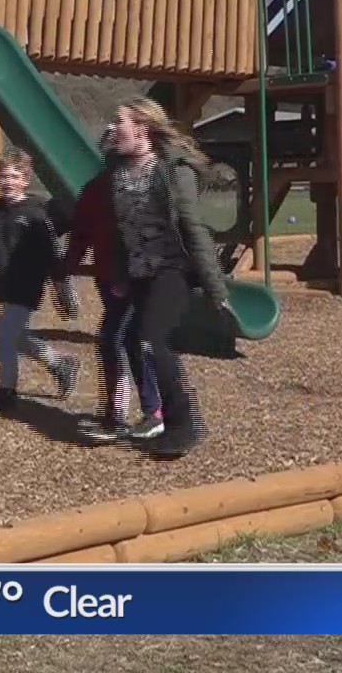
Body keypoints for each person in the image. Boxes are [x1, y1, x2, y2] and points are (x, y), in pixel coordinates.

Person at [104, 97, 232, 460]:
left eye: (119, 122)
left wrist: (215, 288)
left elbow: (193, 228)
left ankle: (184, 425)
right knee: (129, 338)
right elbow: (120, 229)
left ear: (142, 128)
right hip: (140, 273)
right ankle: (153, 415)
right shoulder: (119, 170)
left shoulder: (173, 171)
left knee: (151, 341)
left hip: (172, 270)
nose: (111, 128)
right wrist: (120, 273)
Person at [0, 148, 79, 417]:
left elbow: (52, 253)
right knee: (17, 337)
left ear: (25, 180)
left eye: (14, 176)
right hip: (3, 282)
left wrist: (62, 288)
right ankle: (59, 363)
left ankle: (6, 393)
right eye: (3, 176)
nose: (8, 182)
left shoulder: (36, 214)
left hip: (26, 284)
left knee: (3, 338)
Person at [63, 129, 164, 444]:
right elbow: (81, 234)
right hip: (108, 278)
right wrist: (64, 268)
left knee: (121, 339)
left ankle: (150, 411)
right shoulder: (95, 191)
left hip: (136, 277)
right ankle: (123, 412)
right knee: (115, 341)